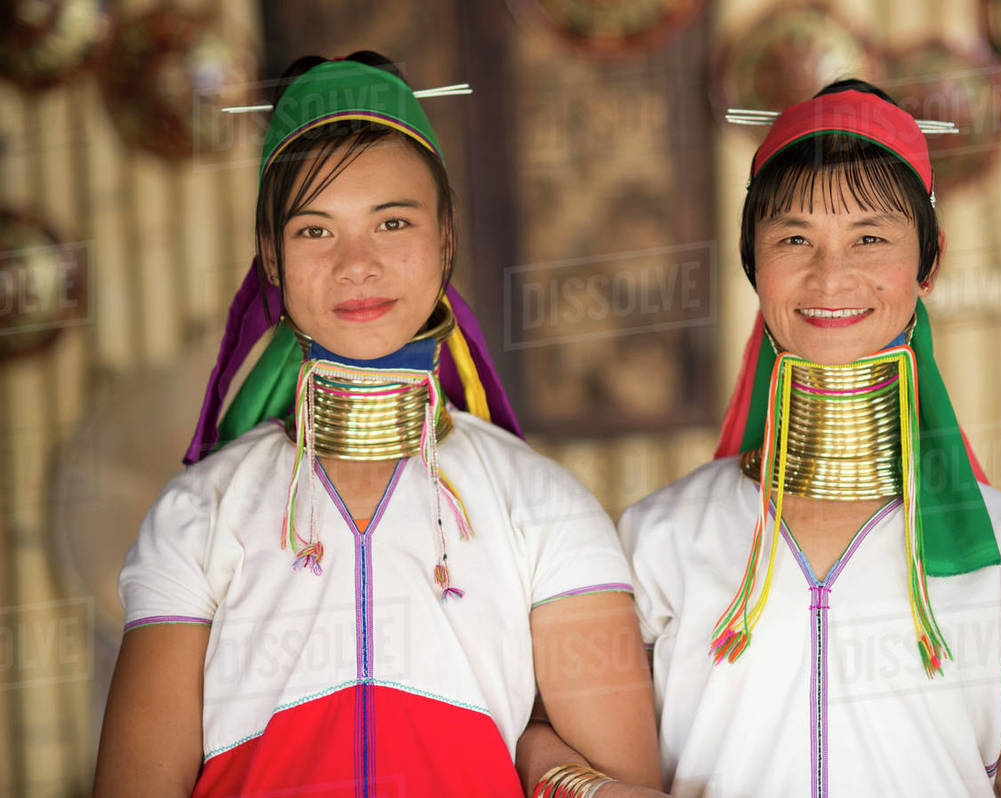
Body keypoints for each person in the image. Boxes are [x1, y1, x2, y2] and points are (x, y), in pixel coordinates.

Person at [93, 52, 661, 798]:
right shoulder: (200, 512)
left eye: (392, 221)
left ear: (445, 239)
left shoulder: (543, 506)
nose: (357, 264)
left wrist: (534, 754)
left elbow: (619, 784)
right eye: (315, 231)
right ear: (271, 257)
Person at [618, 80, 1001, 797]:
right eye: (794, 238)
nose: (831, 276)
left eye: (870, 237)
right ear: (754, 265)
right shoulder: (660, 537)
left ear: (928, 264)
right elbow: (558, 736)